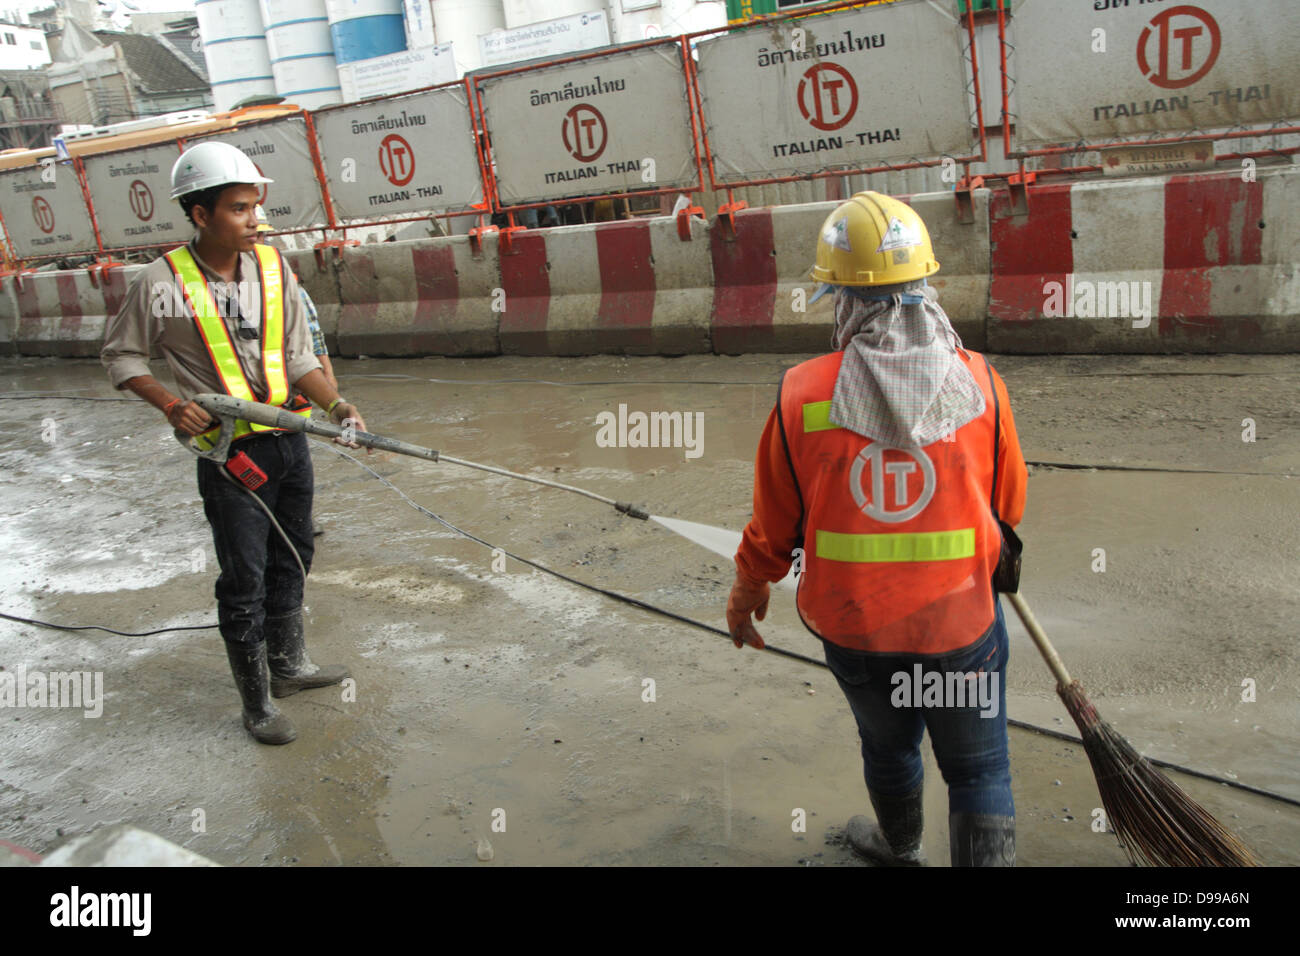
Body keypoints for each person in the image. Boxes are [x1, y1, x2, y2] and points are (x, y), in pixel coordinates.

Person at [725, 191, 1027, 866]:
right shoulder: (980, 385)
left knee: (889, 747)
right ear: (924, 285)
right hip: (961, 630)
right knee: (979, 772)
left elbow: (772, 532)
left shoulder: (801, 394)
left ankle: (902, 848)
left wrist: (746, 597)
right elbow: (1009, 509)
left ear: (842, 299)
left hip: (856, 631)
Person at [101, 141, 368, 745]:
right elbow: (121, 354)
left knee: (295, 554)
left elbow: (299, 354)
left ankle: (290, 665)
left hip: (290, 440)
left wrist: (334, 403)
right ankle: (257, 704)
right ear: (200, 215)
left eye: (257, 206)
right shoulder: (163, 281)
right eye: (240, 209)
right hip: (231, 457)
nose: (255, 220)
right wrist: (172, 404)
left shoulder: (275, 268)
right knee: (243, 577)